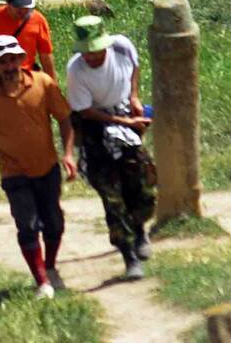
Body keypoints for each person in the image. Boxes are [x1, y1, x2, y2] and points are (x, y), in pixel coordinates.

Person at [0, 35, 77, 298]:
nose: (8, 67)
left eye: (12, 60)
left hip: (47, 167)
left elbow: (64, 119)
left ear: (21, 60)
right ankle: (42, 281)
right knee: (27, 225)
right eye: (1, 62)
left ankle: (49, 266)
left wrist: (69, 154)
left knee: (54, 224)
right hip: (14, 173)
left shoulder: (43, 84)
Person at [66, 15, 156, 280]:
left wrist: (134, 96)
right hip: (96, 125)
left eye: (96, 50)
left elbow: (135, 67)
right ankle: (128, 254)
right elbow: (85, 111)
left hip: (125, 114)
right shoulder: (76, 70)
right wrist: (123, 120)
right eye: (87, 52)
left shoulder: (122, 47)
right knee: (111, 193)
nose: (91, 57)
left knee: (143, 180)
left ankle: (141, 230)